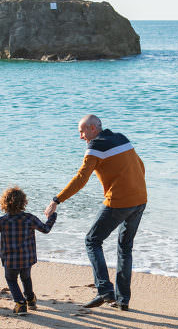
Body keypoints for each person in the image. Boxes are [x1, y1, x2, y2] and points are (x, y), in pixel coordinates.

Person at [44, 115, 146, 310]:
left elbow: (81, 178)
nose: (81, 136)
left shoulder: (95, 147)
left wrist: (57, 199)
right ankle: (122, 300)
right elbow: (141, 166)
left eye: (82, 132)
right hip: (140, 199)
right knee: (125, 248)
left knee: (92, 240)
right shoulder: (122, 138)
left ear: (93, 128)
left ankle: (104, 291)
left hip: (118, 202)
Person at [0, 186, 57, 315]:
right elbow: (45, 229)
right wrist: (52, 216)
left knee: (11, 279)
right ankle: (30, 299)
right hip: (27, 257)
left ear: (4, 204)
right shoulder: (29, 218)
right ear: (24, 203)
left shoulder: (2, 221)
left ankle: (20, 303)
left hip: (10, 259)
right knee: (26, 277)